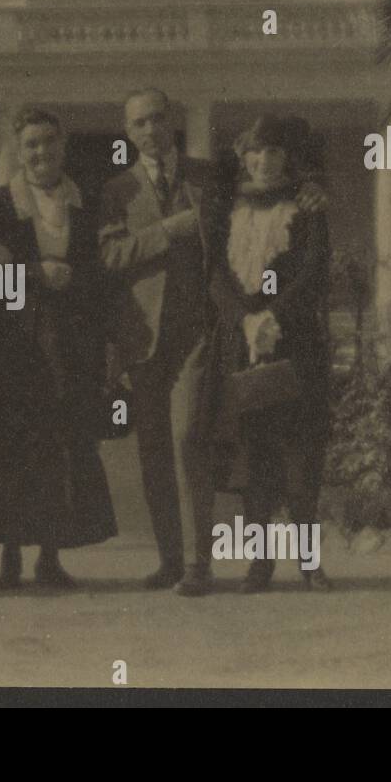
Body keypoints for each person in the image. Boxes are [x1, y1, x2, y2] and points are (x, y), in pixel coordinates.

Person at [99, 88, 326, 597]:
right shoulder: (118, 191)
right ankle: (169, 560)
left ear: (172, 121)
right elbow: (110, 256)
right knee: (154, 451)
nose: (150, 131)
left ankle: (200, 565)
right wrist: (169, 230)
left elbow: (270, 180)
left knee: (187, 443)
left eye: (158, 119)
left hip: (200, 335)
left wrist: (312, 188)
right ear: (128, 132)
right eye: (139, 124)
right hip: (144, 338)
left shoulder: (210, 175)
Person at [0, 107, 116, 588]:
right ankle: (8, 555)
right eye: (31, 144)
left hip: (69, 344)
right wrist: (30, 273)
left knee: (60, 446)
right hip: (11, 348)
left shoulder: (83, 203)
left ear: (63, 145)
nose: (41, 152)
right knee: (11, 446)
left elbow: (104, 274)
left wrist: (75, 279)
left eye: (49, 141)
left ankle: (50, 556)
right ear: (18, 150)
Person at [197, 114, 332, 593]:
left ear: (287, 158)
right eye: (255, 152)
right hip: (242, 345)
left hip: (295, 344)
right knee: (253, 458)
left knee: (300, 458)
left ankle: (310, 563)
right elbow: (214, 275)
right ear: (243, 157)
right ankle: (259, 563)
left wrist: (276, 317)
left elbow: (315, 270)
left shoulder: (309, 207)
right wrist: (247, 319)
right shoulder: (227, 208)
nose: (264, 162)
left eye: (274, 152)